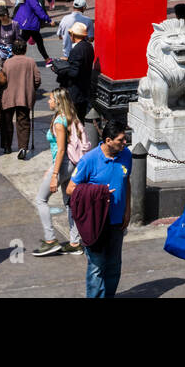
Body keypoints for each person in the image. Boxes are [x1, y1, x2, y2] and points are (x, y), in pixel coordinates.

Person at [69, 119, 132, 298]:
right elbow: (71, 189)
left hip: (117, 222)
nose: (125, 143)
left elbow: (126, 183)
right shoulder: (89, 160)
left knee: (114, 266)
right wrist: (99, 192)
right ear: (108, 141)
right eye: (121, 140)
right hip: (96, 223)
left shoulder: (126, 155)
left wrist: (127, 210)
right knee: (96, 267)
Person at [34, 89, 89, 257]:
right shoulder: (70, 117)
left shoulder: (59, 121)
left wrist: (54, 175)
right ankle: (74, 242)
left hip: (63, 164)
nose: (48, 102)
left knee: (41, 200)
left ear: (58, 101)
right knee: (69, 202)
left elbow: (60, 149)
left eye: (50, 99)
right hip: (71, 164)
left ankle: (50, 240)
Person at [0, 37, 41, 159]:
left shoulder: (7, 62)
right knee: (23, 122)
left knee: (6, 121)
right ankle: (23, 147)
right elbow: (37, 80)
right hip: (24, 96)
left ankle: (7, 146)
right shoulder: (31, 62)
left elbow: (2, 80)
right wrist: (31, 88)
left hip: (8, 97)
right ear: (25, 49)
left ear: (12, 50)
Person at [59, 22, 95, 122]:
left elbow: (74, 72)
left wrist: (61, 70)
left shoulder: (77, 50)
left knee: (74, 120)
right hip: (84, 89)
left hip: (76, 91)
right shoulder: (88, 46)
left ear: (73, 35)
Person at [14, 0, 53, 67]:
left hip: (27, 21)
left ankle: (47, 60)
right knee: (23, 42)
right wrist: (48, 19)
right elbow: (37, 9)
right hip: (29, 22)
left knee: (33, 40)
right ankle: (12, 58)